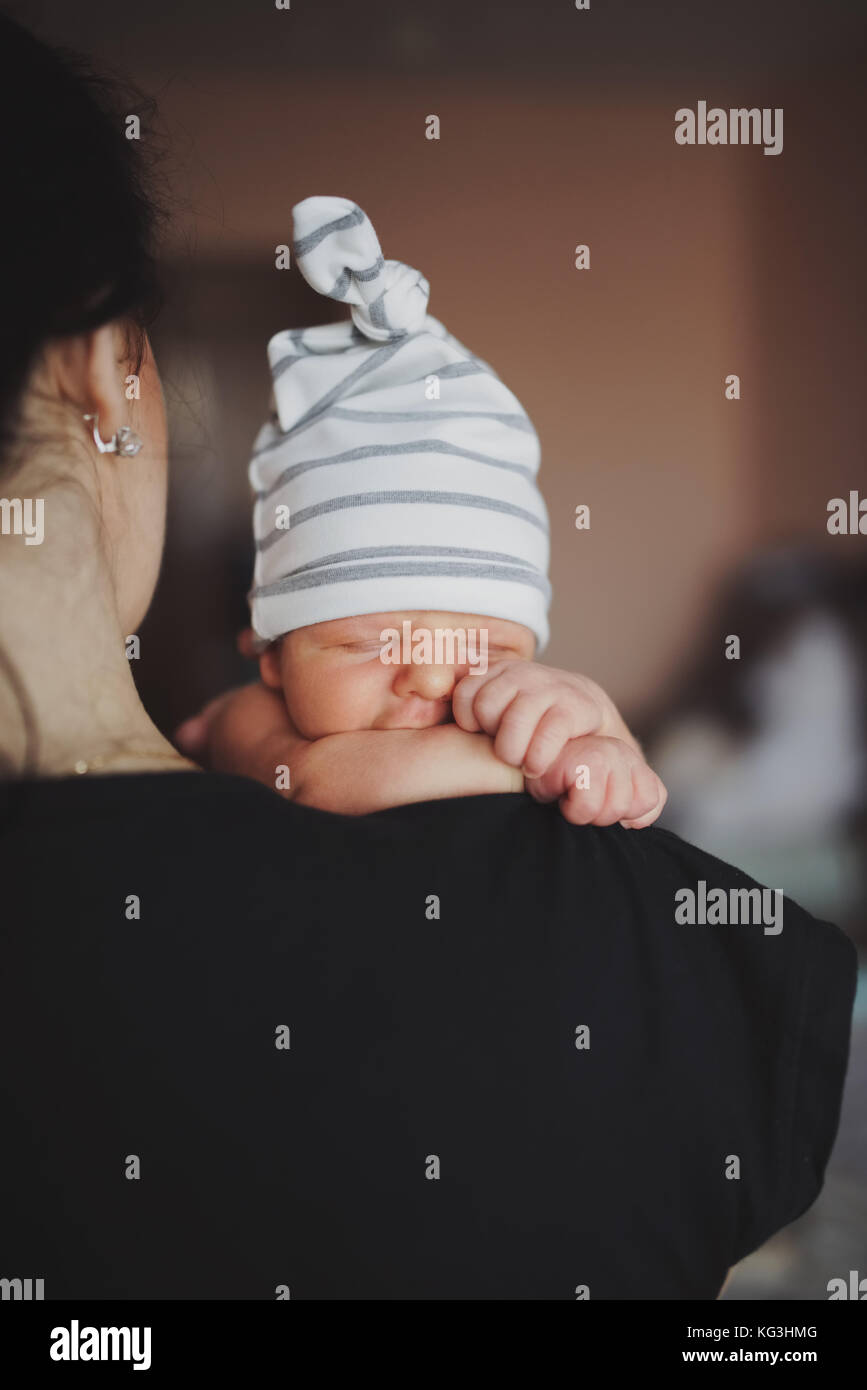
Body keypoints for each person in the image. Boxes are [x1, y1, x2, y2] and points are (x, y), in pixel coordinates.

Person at [0, 13, 856, 1301]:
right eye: (367, 639)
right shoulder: (249, 734)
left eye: (489, 654)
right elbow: (292, 766)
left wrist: (589, 746)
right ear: (265, 653)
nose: (433, 686)